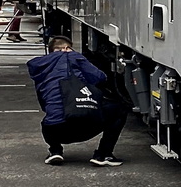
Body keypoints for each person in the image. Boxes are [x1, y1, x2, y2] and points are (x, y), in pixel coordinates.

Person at [27, 36, 127, 166]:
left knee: (49, 119)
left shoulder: (42, 69)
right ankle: (103, 154)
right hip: (84, 123)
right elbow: (100, 77)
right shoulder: (72, 56)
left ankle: (55, 151)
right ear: (66, 48)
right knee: (119, 110)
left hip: (55, 131)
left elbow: (44, 104)